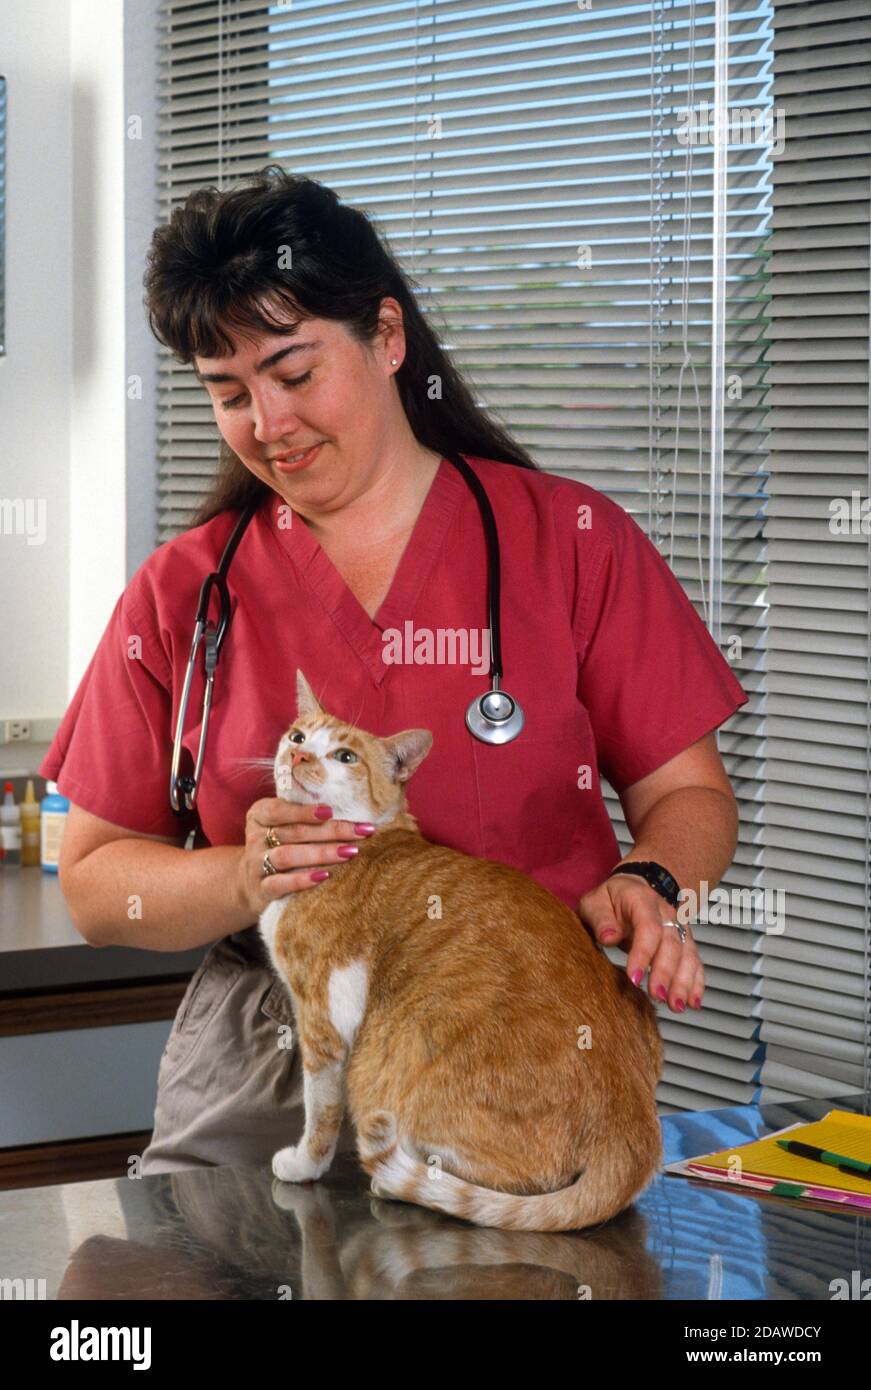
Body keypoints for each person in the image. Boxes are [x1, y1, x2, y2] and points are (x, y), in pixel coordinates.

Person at [41, 166, 748, 1175]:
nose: (265, 425)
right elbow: (98, 884)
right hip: (269, 1056)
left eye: (292, 372)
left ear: (384, 336)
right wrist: (247, 872)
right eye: (226, 391)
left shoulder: (572, 542)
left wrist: (649, 877)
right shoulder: (186, 591)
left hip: (513, 1041)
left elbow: (687, 791)